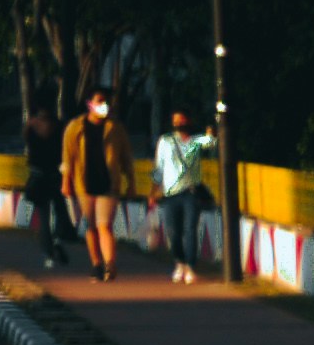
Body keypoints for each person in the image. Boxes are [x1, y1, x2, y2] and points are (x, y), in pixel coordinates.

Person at [59, 91, 136, 283]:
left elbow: (126, 158)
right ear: (89, 104)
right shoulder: (75, 127)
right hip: (83, 184)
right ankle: (96, 264)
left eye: (106, 102)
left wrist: (131, 183)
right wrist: (65, 182)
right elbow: (67, 157)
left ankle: (110, 264)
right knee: (90, 225)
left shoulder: (115, 128)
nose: (104, 105)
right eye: (100, 101)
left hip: (108, 184)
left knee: (104, 225)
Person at [153, 106, 216, 283]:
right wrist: (153, 191)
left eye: (182, 120)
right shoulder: (165, 141)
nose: (178, 124)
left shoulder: (196, 141)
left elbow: (211, 143)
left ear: (188, 121)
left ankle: (190, 266)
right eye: (175, 121)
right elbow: (159, 167)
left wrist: (212, 131)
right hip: (170, 194)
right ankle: (179, 262)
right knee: (173, 232)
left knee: (190, 230)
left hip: (191, 193)